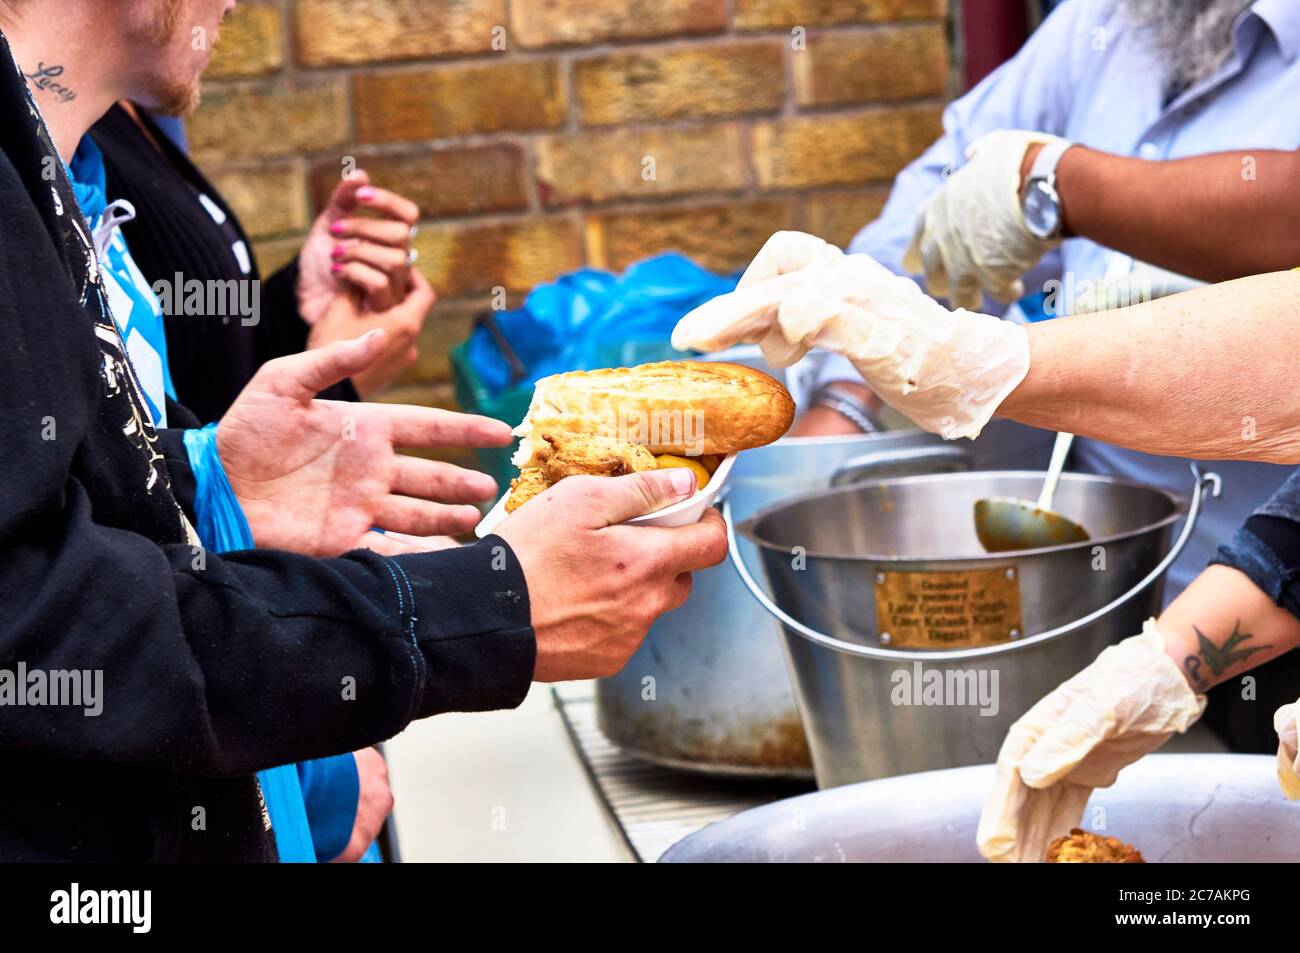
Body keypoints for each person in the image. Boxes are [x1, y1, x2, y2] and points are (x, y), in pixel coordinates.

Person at [0, 1, 726, 861]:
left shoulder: (59, 162)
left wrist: (207, 477)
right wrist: (482, 609)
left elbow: (72, 491)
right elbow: (44, 617)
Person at [796, 0, 1300, 613]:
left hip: (1267, 599)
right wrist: (850, 388)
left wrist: (1058, 182)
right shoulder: (1109, 18)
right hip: (1096, 591)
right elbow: (948, 177)